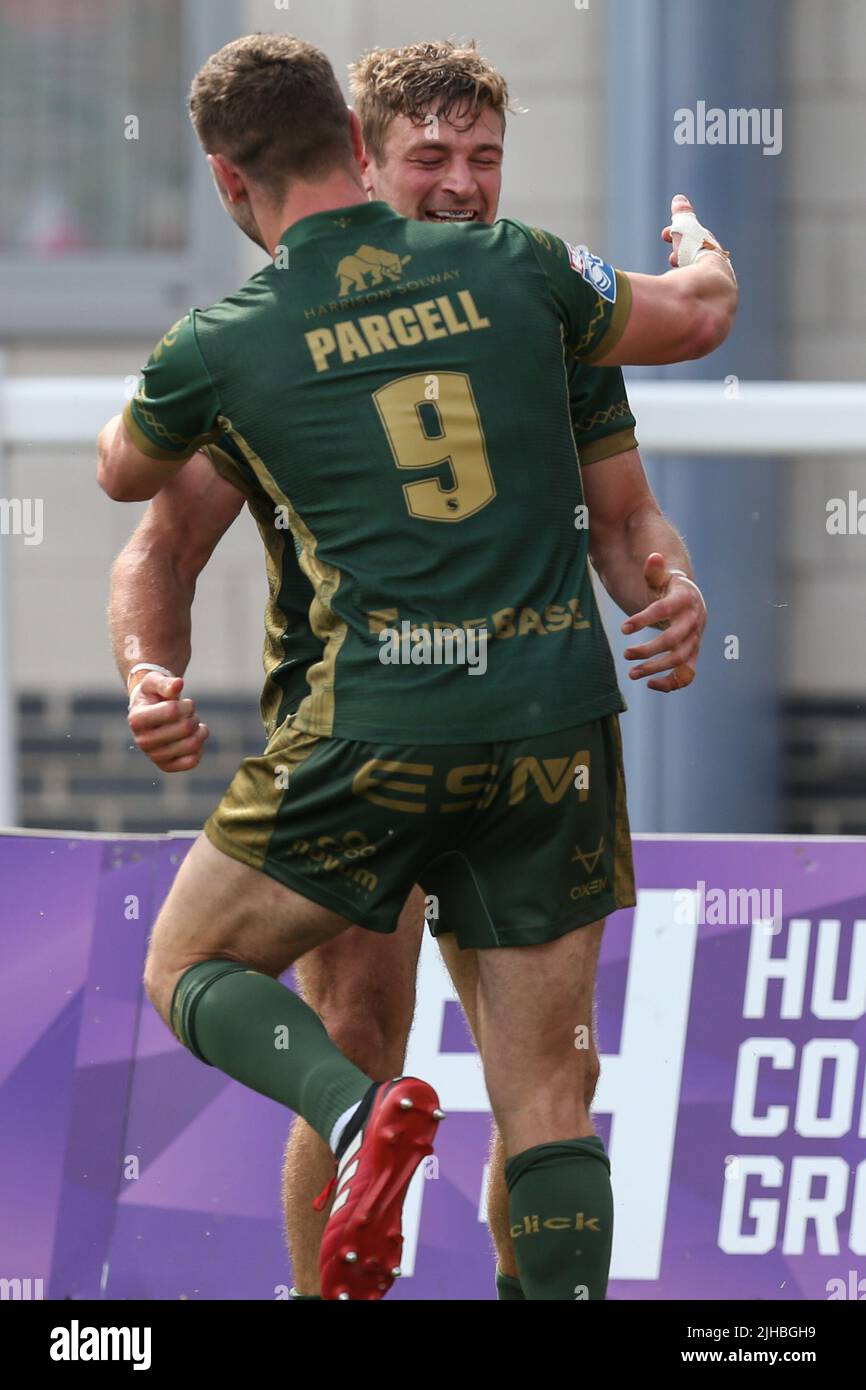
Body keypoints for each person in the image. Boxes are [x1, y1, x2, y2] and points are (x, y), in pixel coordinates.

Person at [98, 33, 736, 1300]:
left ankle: (362, 1141)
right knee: (374, 1035)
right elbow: (158, 545)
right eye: (429, 157)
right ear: (361, 155)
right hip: (467, 723)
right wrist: (144, 669)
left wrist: (666, 584)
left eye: (483, 158)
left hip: (379, 738)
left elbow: (621, 519)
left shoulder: (520, 315)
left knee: (534, 1086)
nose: (457, 185)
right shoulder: (448, 302)